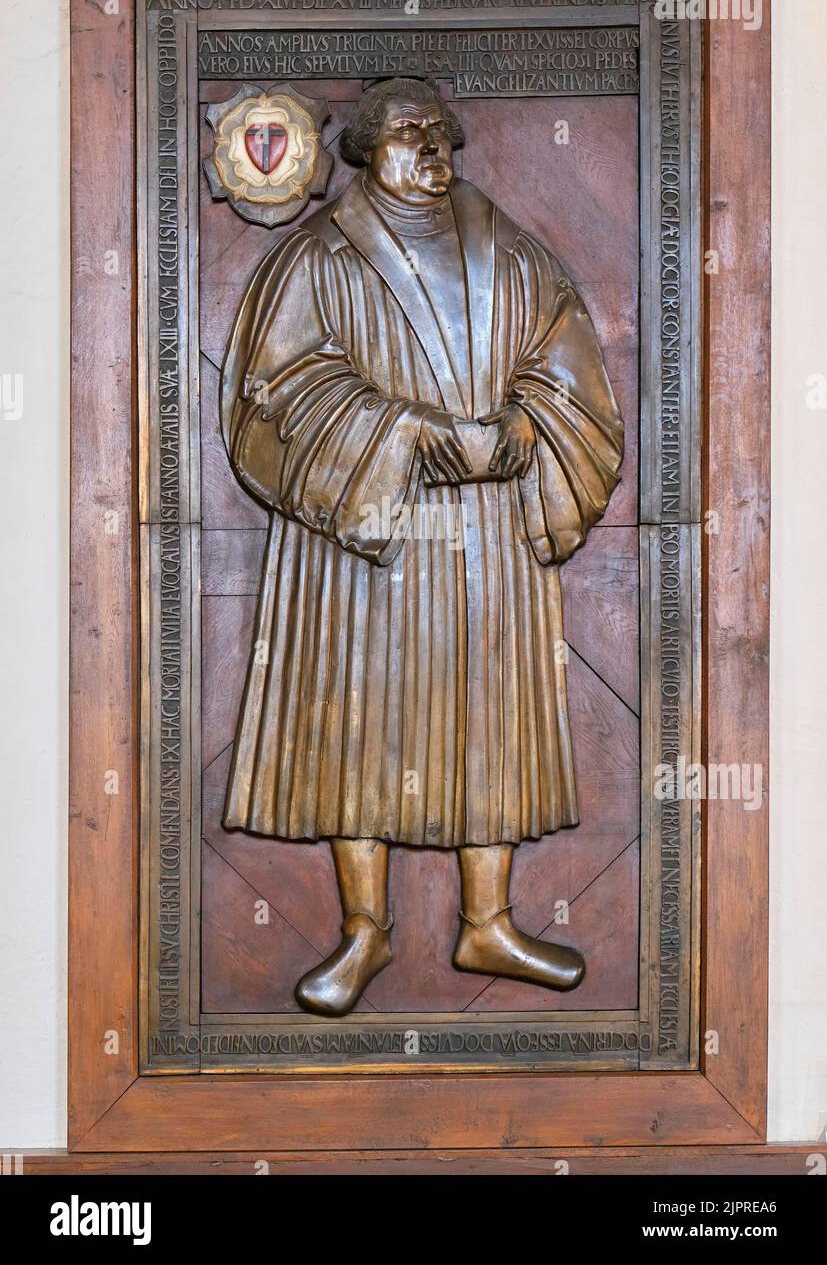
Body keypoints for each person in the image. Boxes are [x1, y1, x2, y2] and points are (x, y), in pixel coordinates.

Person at [221, 77, 624, 1015]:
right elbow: (275, 389)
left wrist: (530, 421)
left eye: (440, 135)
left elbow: (566, 367)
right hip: (368, 540)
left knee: (491, 720)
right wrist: (401, 433)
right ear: (364, 150)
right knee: (360, 724)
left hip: (487, 537)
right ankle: (365, 929)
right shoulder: (317, 258)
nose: (432, 151)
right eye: (408, 134)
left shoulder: (511, 257)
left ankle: (487, 924)